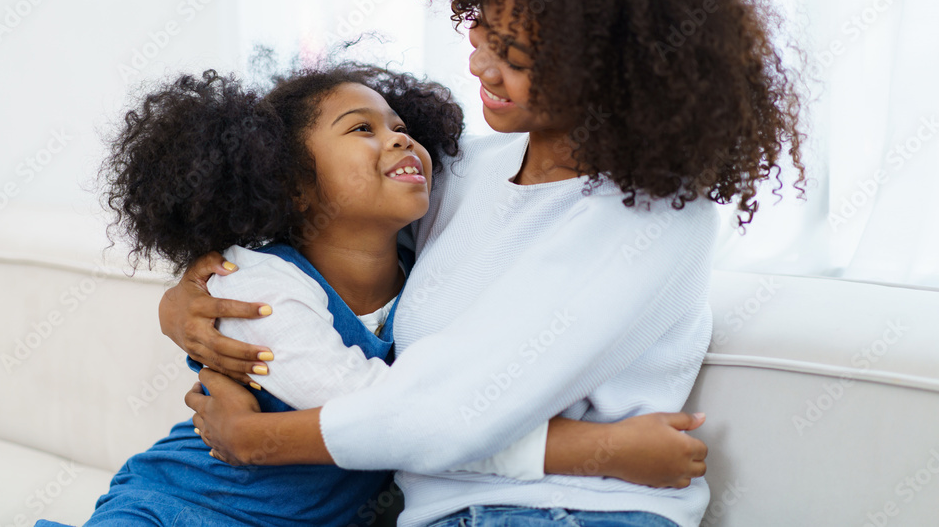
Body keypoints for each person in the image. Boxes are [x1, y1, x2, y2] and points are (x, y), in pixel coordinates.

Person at [167, 0, 810, 526]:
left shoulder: (654, 221)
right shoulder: (463, 172)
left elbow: (448, 413)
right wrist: (188, 292)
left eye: (516, 58)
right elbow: (315, 224)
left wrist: (255, 440)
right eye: (482, 33)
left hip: (574, 514)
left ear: (613, 76)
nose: (480, 64)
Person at [37, 62, 705, 527]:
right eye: (363, 129)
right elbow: (393, 420)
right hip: (188, 504)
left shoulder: (422, 263)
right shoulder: (262, 293)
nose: (398, 138)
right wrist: (598, 449)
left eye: (396, 124)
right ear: (289, 181)